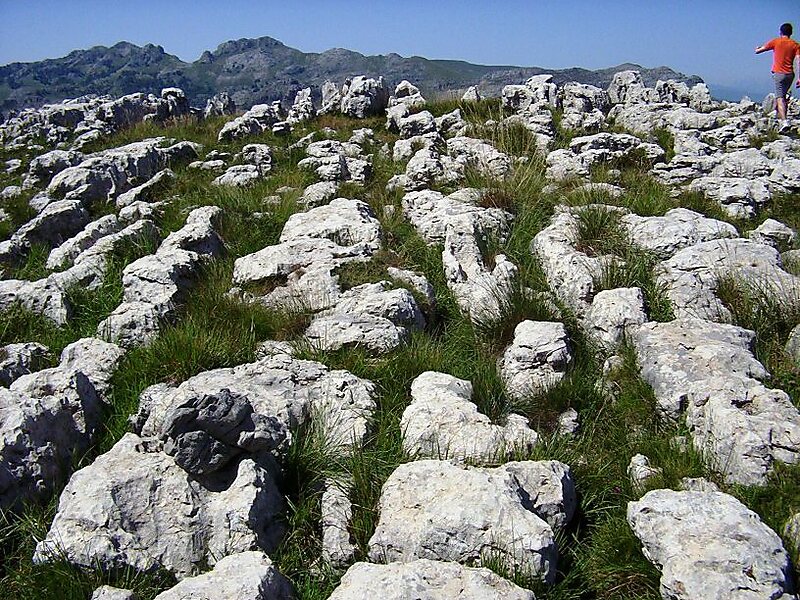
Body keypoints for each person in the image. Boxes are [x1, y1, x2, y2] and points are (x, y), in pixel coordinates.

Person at [755, 23, 800, 122]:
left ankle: (784, 121)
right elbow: (798, 60)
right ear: (791, 33)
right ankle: (779, 116)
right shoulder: (795, 45)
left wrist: (757, 48)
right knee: (783, 96)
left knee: (779, 97)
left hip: (779, 73)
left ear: (780, 31)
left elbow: (759, 51)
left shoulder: (776, 41)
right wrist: (799, 77)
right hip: (790, 74)